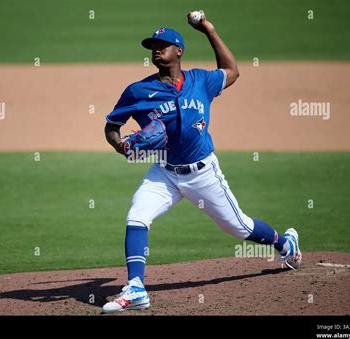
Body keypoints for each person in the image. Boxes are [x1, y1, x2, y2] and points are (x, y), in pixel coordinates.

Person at [102, 14, 301, 313]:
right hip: (164, 172)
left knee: (240, 227)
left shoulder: (200, 81)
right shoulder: (138, 91)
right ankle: (136, 289)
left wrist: (209, 29)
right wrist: (121, 147)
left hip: (203, 174)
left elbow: (232, 70)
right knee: (137, 216)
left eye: (163, 45)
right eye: (152, 46)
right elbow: (111, 126)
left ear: (178, 50)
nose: (156, 50)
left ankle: (285, 245)